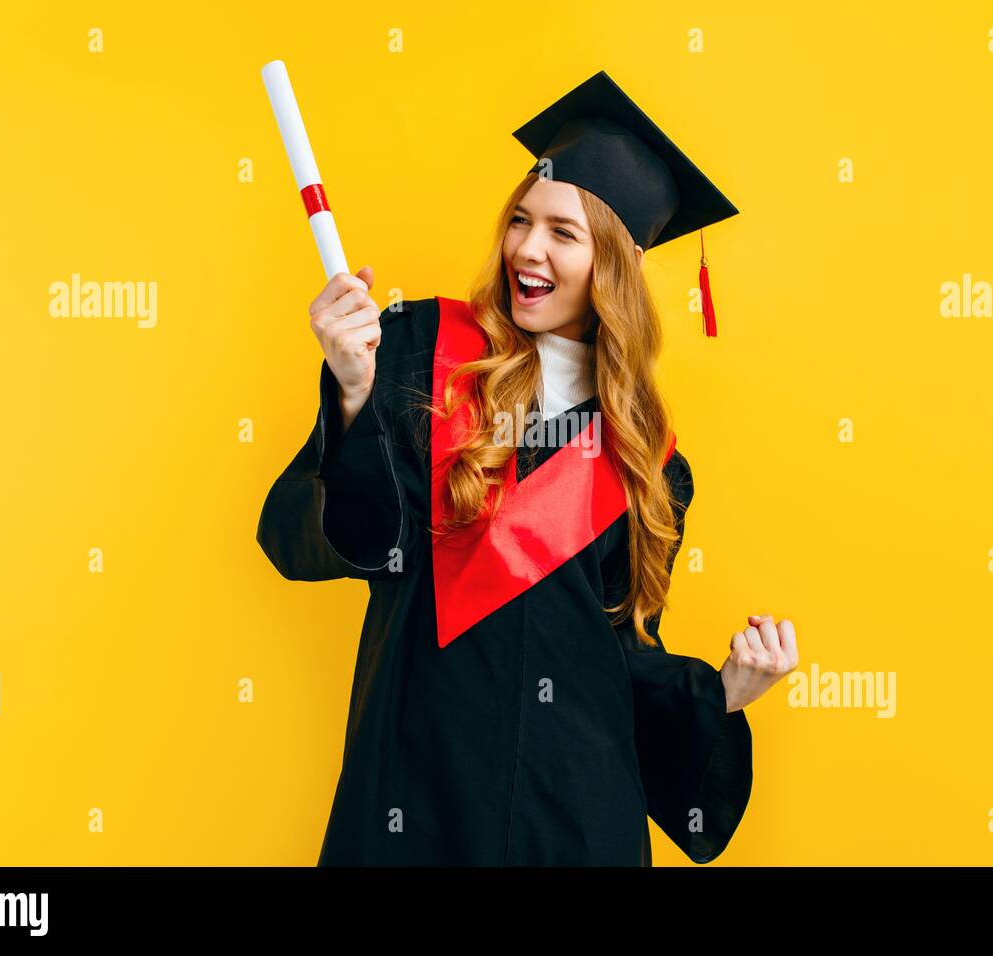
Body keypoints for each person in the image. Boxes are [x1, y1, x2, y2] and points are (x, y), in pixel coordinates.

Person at [256, 70, 800, 866]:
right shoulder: (415, 353)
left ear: (618, 263)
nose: (527, 249)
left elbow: (618, 660)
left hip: (572, 822)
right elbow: (324, 540)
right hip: (415, 799)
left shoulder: (653, 466)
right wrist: (351, 394)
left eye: (563, 233)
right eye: (520, 221)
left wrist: (723, 693)